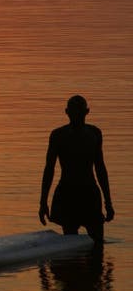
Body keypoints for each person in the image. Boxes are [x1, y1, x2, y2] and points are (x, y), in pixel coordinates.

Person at [39, 94, 114, 244]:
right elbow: (49, 169)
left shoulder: (93, 134)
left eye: (79, 112)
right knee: (79, 244)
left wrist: (108, 202)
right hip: (69, 194)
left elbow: (100, 168)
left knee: (94, 243)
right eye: (75, 112)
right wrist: (43, 202)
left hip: (87, 193)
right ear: (67, 112)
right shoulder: (59, 135)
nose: (77, 116)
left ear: (86, 112)